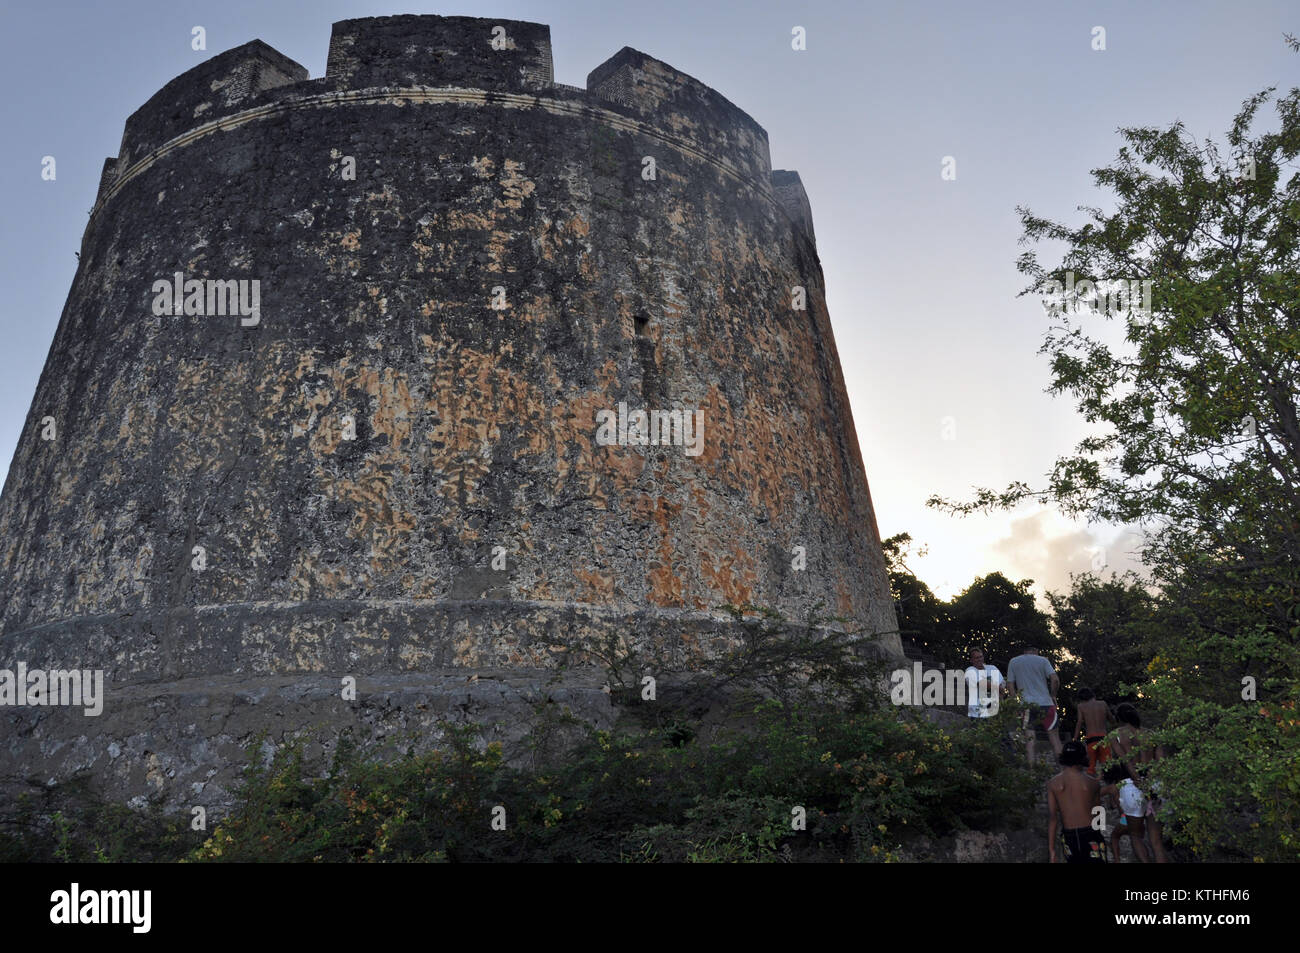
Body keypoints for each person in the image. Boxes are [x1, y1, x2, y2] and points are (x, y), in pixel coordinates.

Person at [1047, 741, 1104, 863]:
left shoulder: (1053, 783)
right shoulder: (1093, 783)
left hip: (1069, 836)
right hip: (1090, 833)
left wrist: (1051, 850)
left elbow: (1053, 818)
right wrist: (1100, 836)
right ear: (1082, 757)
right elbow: (1099, 813)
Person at [1006, 644, 1062, 764]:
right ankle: (1064, 770)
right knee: (1055, 739)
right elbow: (1055, 680)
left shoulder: (1014, 661)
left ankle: (1031, 773)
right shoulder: (1043, 660)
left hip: (1026, 705)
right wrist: (1053, 695)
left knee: (1030, 740)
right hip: (1046, 704)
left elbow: (1010, 684)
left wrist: (1015, 702)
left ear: (1025, 651)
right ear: (1036, 651)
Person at [1102, 763, 1150, 863]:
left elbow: (1096, 793)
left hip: (1126, 818)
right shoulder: (1130, 783)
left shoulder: (1112, 787)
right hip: (1139, 817)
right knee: (1138, 839)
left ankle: (1117, 860)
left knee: (1115, 836)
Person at [1073, 687, 1111, 776]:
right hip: (1104, 738)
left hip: (1091, 739)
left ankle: (1092, 786)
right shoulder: (1103, 703)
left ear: (1082, 698)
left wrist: (1075, 738)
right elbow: (1111, 719)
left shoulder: (1081, 706)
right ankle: (1108, 786)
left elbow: (1079, 722)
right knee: (1107, 767)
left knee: (1091, 767)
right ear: (1092, 695)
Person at [964, 647, 1004, 719]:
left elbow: (1002, 687)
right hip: (977, 713)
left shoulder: (992, 668)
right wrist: (998, 688)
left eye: (981, 657)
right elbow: (983, 684)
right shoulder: (970, 671)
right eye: (976, 658)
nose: (979, 659)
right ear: (971, 660)